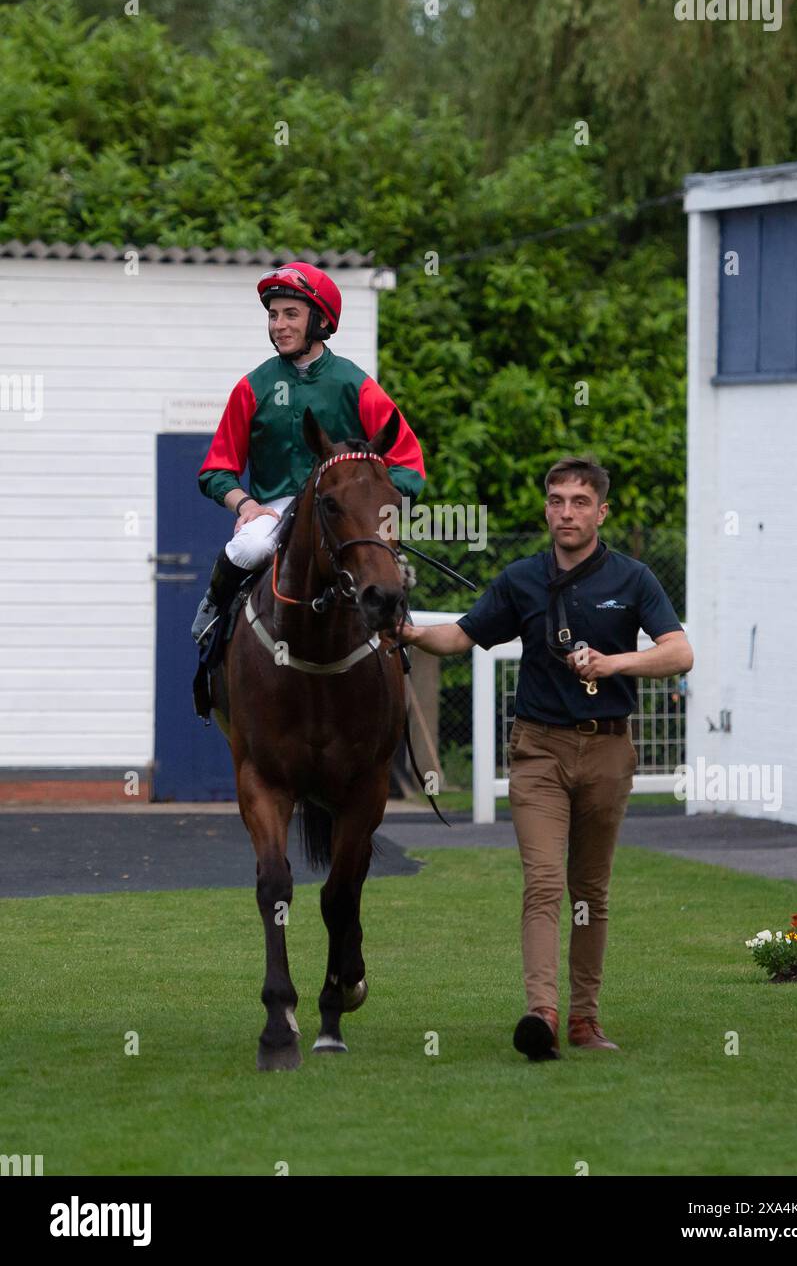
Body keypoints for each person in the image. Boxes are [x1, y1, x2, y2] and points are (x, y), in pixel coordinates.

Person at [398, 456, 693, 1061]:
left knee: (591, 890)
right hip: (537, 752)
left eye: (579, 502)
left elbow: (679, 652)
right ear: (546, 508)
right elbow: (459, 636)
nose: (566, 512)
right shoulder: (521, 579)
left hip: (609, 750)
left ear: (601, 511)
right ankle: (543, 1014)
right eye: (557, 500)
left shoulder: (634, 579)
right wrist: (407, 632)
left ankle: (586, 1019)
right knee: (542, 882)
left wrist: (613, 664)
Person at [191, 261, 426, 643]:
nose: (278, 325)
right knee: (249, 547)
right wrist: (245, 505)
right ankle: (214, 616)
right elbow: (216, 470)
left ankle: (397, 642)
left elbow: (408, 464)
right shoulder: (252, 387)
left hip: (345, 510)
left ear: (318, 320)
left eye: (290, 314)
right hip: (278, 509)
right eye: (273, 315)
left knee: (380, 571)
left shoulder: (356, 384)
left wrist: (370, 504)